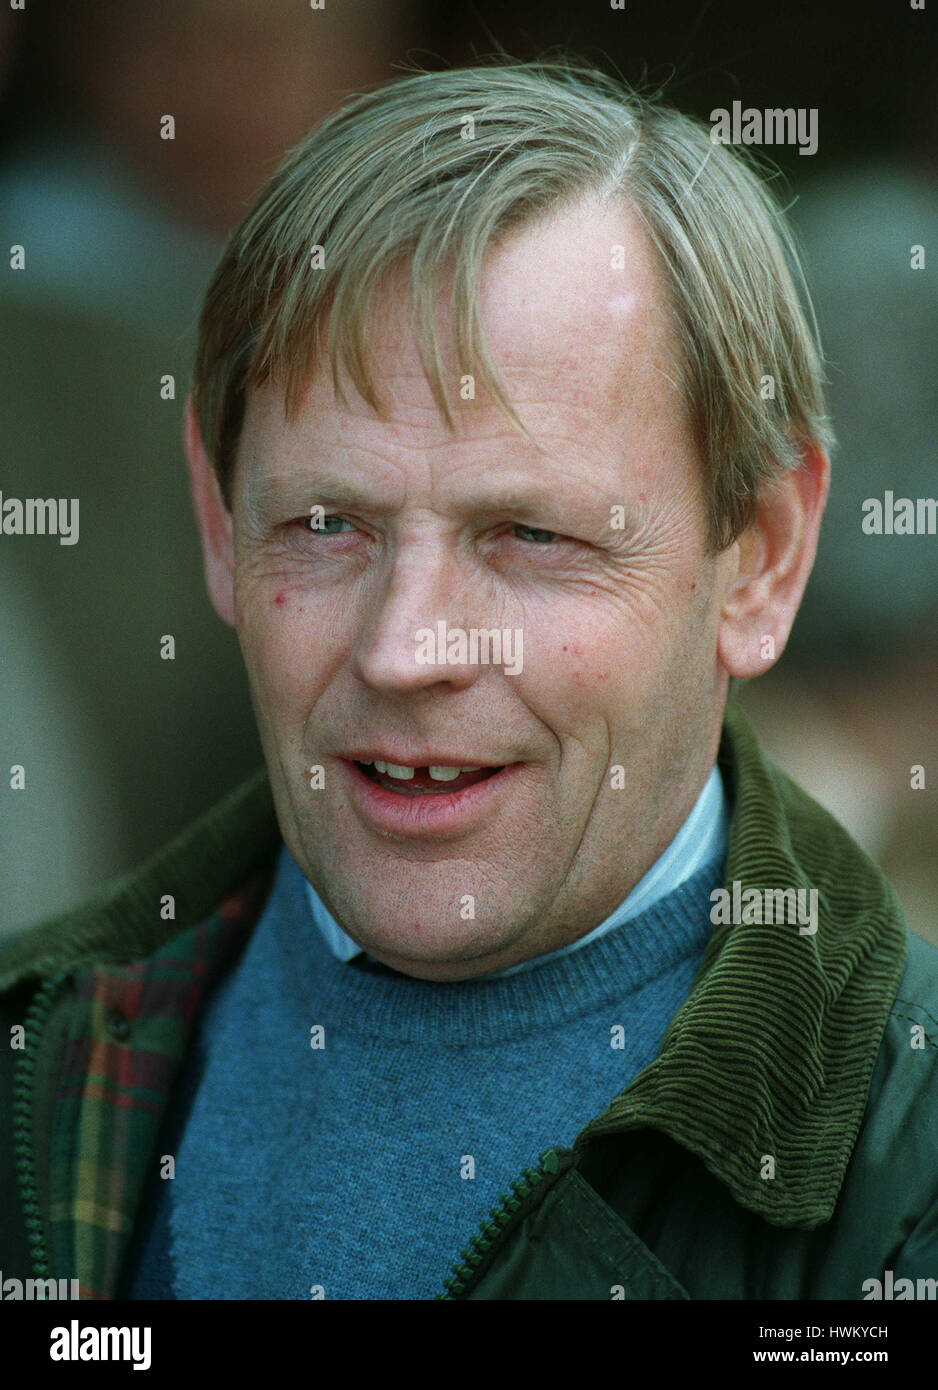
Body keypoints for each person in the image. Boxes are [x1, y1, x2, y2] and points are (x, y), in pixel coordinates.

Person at [1, 60, 936, 1302]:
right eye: (328, 523)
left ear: (757, 559)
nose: (405, 649)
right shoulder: (32, 1058)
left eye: (529, 537)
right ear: (219, 522)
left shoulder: (904, 1164)